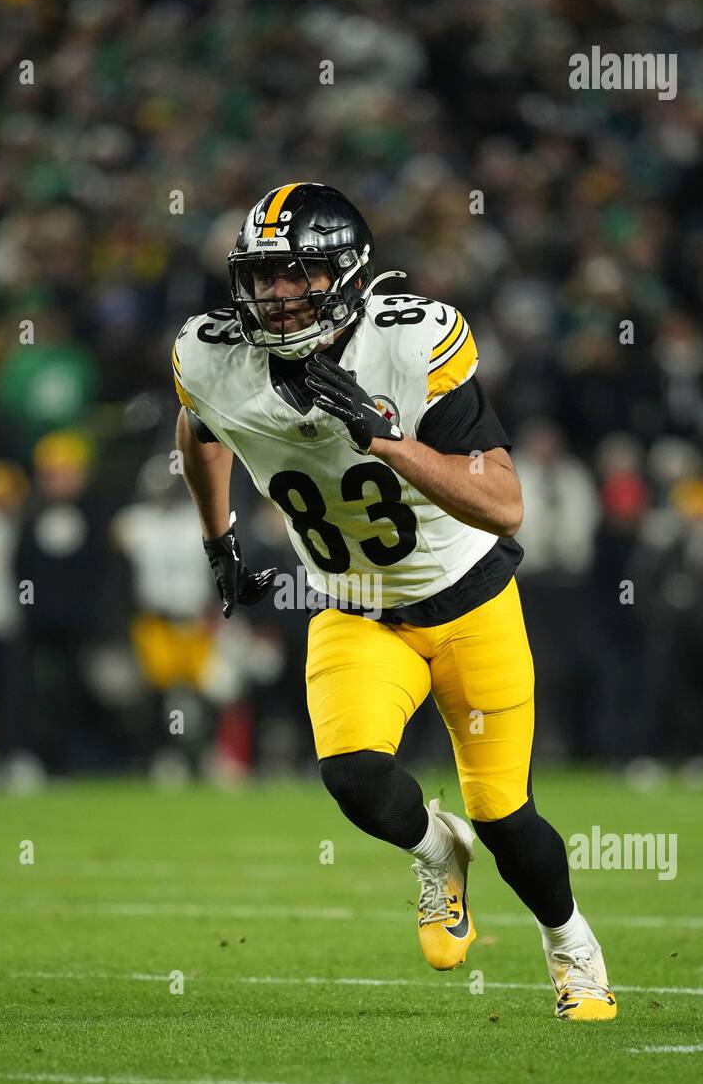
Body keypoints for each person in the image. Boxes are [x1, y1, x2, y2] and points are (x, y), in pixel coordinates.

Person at [173, 181, 616, 1020]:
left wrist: (384, 439)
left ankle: (571, 945)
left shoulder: (411, 344)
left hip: (469, 603)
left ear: (343, 273)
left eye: (297, 273)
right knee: (353, 779)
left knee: (505, 815)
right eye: (263, 275)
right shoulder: (211, 356)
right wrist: (218, 540)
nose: (276, 293)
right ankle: (432, 850)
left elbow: (503, 502)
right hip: (355, 606)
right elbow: (197, 431)